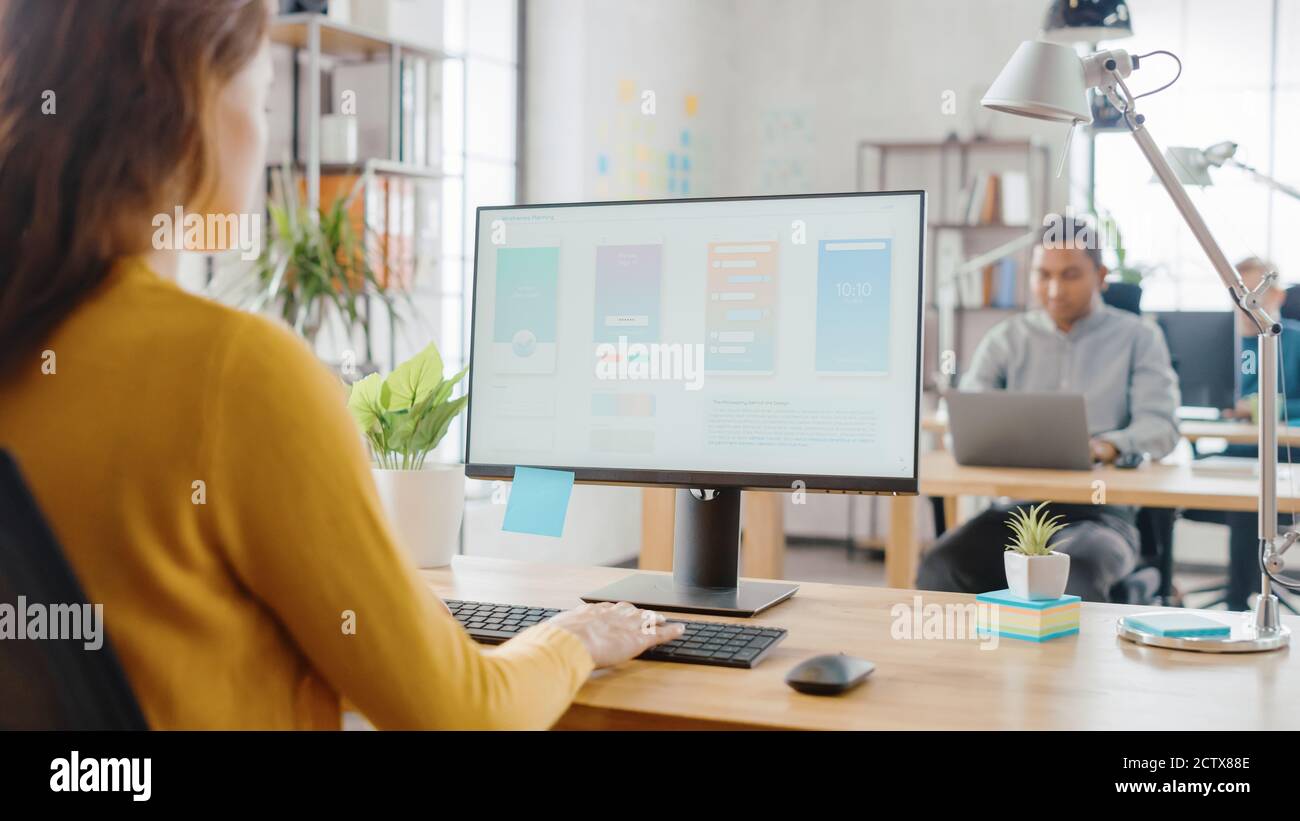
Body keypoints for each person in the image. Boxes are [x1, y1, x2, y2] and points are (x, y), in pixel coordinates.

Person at [0, 0, 682, 729]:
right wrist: (569, 636)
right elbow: (466, 716)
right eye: (263, 95)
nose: (263, 133)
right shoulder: (233, 375)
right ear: (196, 95)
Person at [917, 215, 1181, 602]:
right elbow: (966, 420)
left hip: (1101, 516)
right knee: (941, 566)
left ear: (1101, 275)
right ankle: (969, 663)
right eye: (1043, 275)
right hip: (1018, 512)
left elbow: (1161, 426)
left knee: (1072, 572)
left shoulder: (1139, 338)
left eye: (1070, 275)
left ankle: (1062, 666)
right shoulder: (1006, 338)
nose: (1055, 289)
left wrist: (1108, 445)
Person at [1185, 257, 1300, 611]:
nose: (1246, 306)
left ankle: (1243, 595)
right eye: (1239, 296)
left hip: (1286, 455)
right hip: (1236, 450)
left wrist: (1262, 409)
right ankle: (1235, 594)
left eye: (1255, 296)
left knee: (1252, 491)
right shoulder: (1222, 340)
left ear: (1277, 295)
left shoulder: (1293, 340)